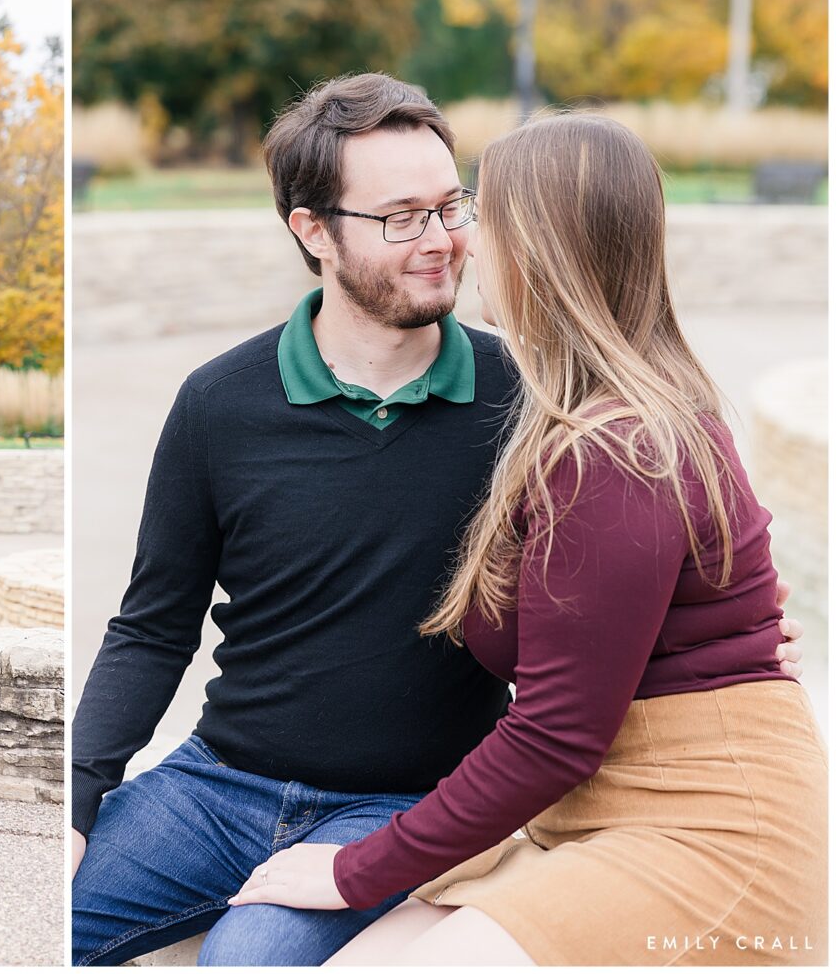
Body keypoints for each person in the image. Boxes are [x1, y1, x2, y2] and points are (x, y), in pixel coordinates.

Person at [70, 74, 806, 967]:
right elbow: (151, 626)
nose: (445, 241)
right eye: (400, 216)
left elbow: (648, 576)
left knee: (247, 959)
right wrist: (75, 795)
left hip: (419, 797)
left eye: (453, 206)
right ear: (313, 229)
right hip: (216, 781)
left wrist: (732, 633)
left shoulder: (535, 402)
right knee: (41, 911)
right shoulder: (219, 401)